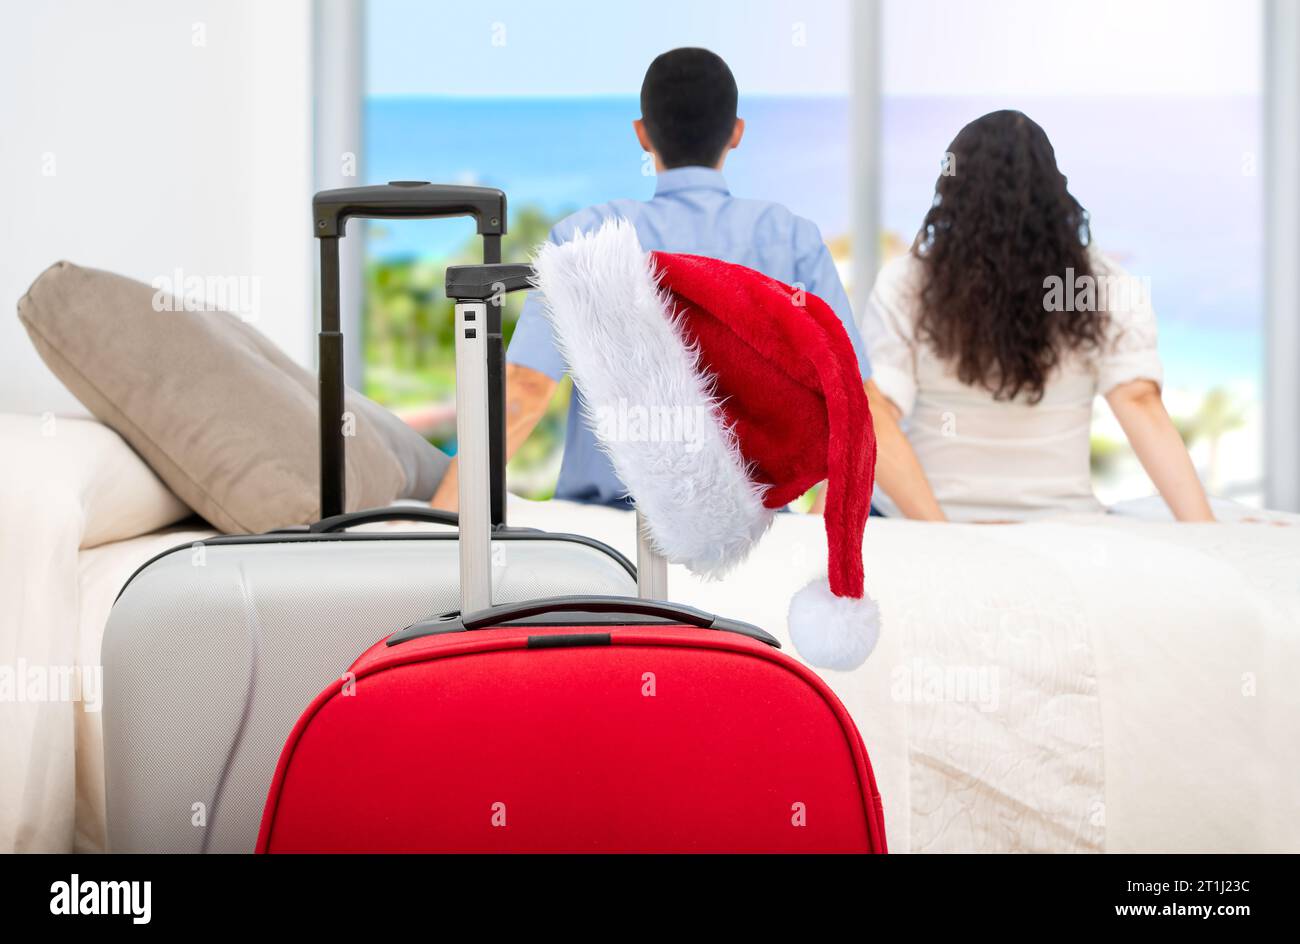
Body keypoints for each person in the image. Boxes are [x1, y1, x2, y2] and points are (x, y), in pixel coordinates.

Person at [431, 47, 943, 519]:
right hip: (753, 539)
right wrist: (946, 538)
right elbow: (857, 406)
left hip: (608, 540)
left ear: (642, 134)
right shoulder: (789, 239)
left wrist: (437, 523)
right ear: (736, 132)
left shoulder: (584, 236)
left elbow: (525, 390)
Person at [861, 110, 1213, 522]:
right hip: (1062, 525)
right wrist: (1206, 531)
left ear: (951, 190)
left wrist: (942, 534)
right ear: (1054, 189)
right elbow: (1138, 401)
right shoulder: (1100, 284)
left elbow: (873, 411)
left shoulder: (906, 283)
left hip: (921, 522)